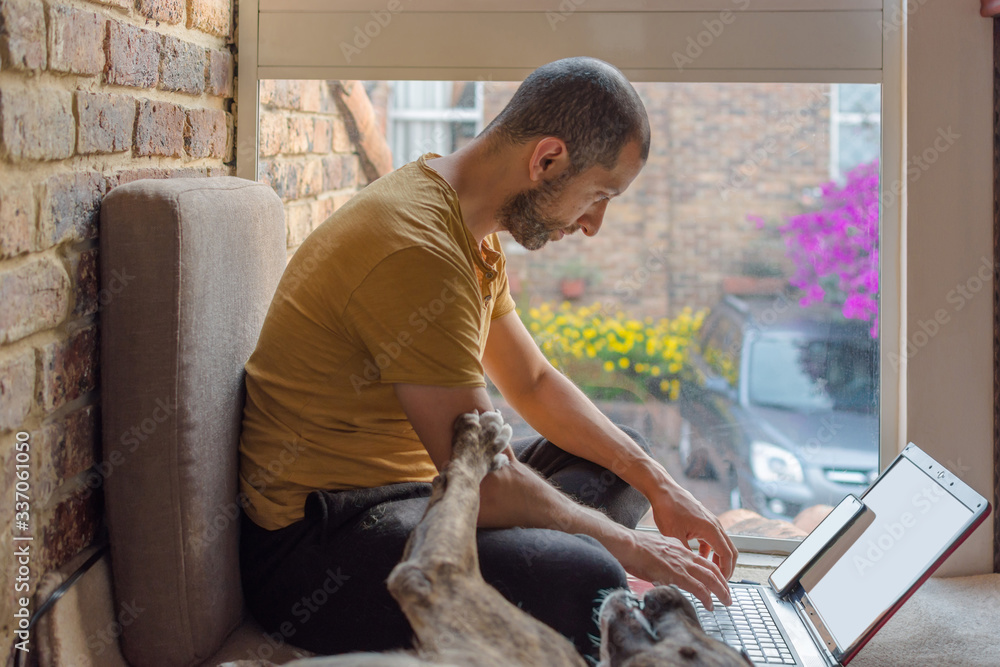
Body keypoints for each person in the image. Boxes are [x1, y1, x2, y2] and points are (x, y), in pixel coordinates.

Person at [238, 57, 737, 661]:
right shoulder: (415, 248)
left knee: (620, 462)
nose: (594, 225)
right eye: (599, 195)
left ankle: (571, 572)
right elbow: (490, 486)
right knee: (587, 574)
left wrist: (662, 487)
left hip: (419, 490)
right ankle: (579, 581)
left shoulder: (466, 229)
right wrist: (636, 552)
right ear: (547, 159)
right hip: (318, 545)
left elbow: (531, 381)